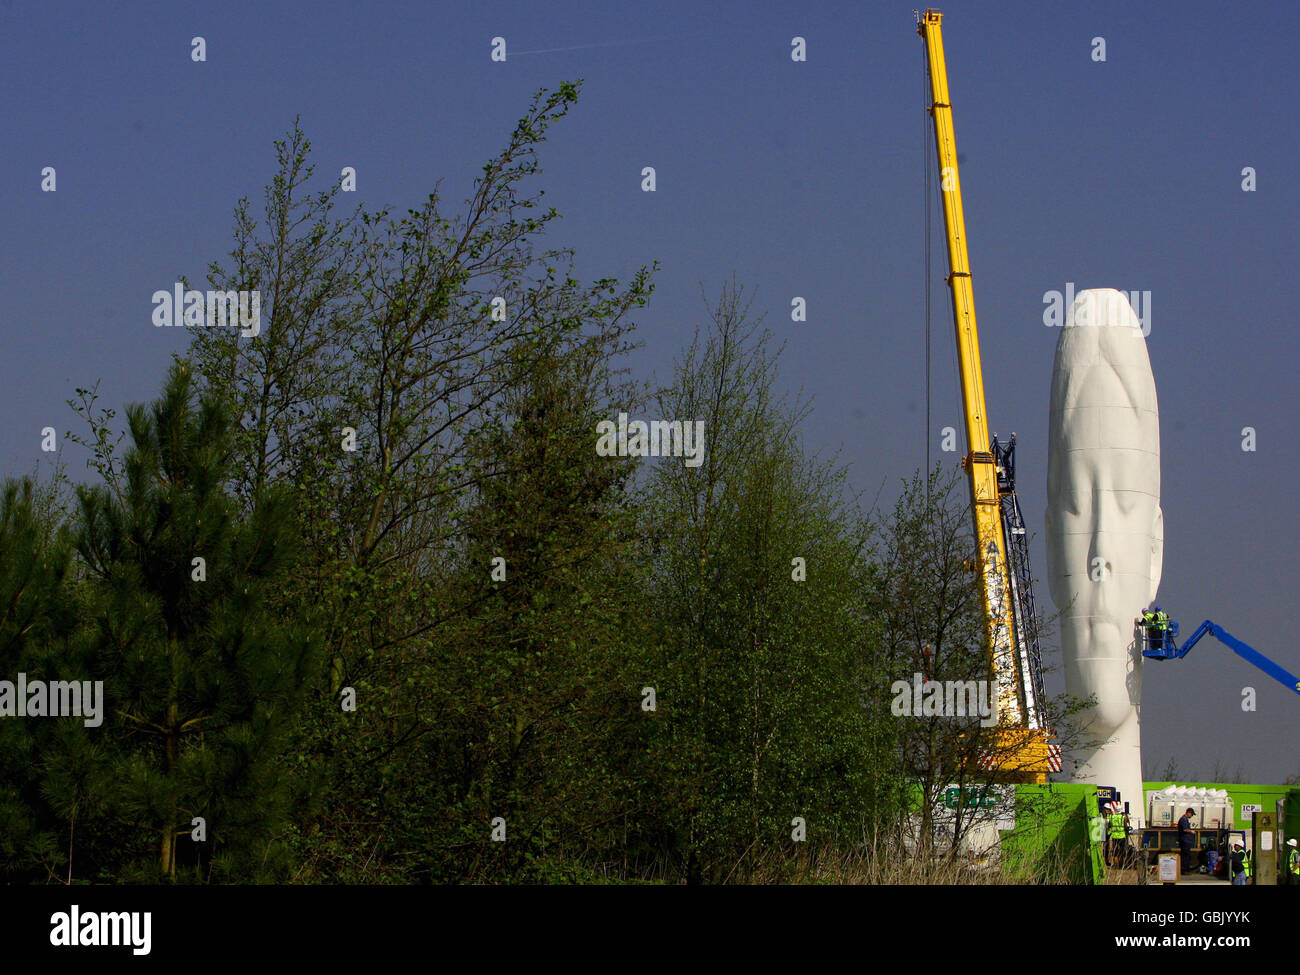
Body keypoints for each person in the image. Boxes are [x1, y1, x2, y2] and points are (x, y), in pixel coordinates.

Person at [1177, 807, 1196, 874]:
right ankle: (1184, 870)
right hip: (1184, 840)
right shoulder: (1183, 819)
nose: (1192, 816)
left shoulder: (1185, 819)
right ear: (1188, 813)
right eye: (1192, 814)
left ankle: (1186, 869)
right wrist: (1191, 831)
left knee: (1186, 855)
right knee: (1185, 855)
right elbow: (1184, 829)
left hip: (1186, 840)